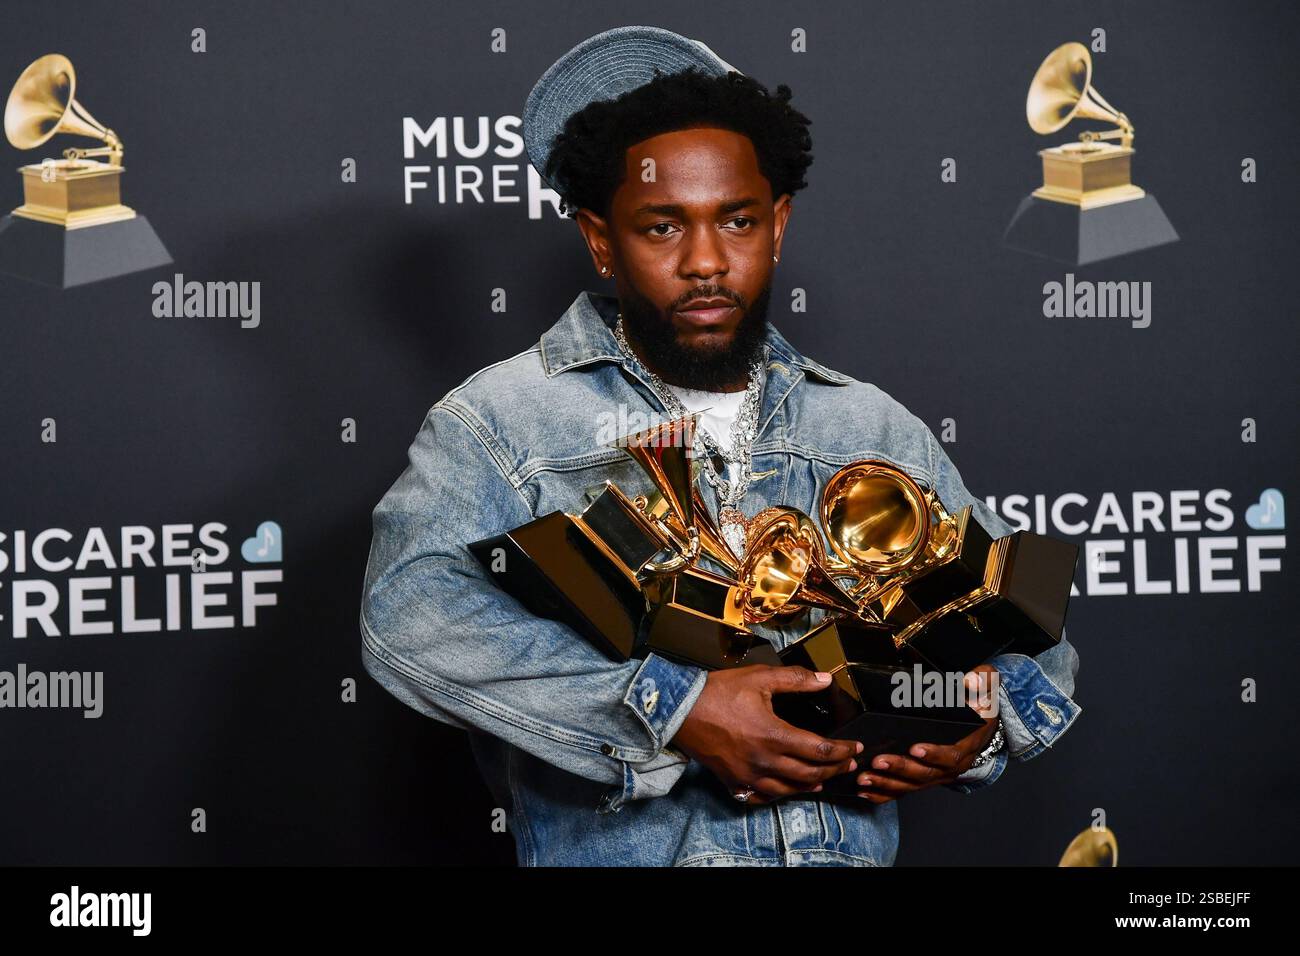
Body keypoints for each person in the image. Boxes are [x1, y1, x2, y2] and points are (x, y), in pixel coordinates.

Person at [359, 25, 1082, 866]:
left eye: (736, 221)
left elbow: (1033, 639)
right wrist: (674, 708)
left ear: (777, 224)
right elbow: (407, 616)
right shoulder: (501, 421)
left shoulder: (871, 427)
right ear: (601, 239)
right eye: (663, 228)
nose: (706, 261)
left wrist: (978, 729)